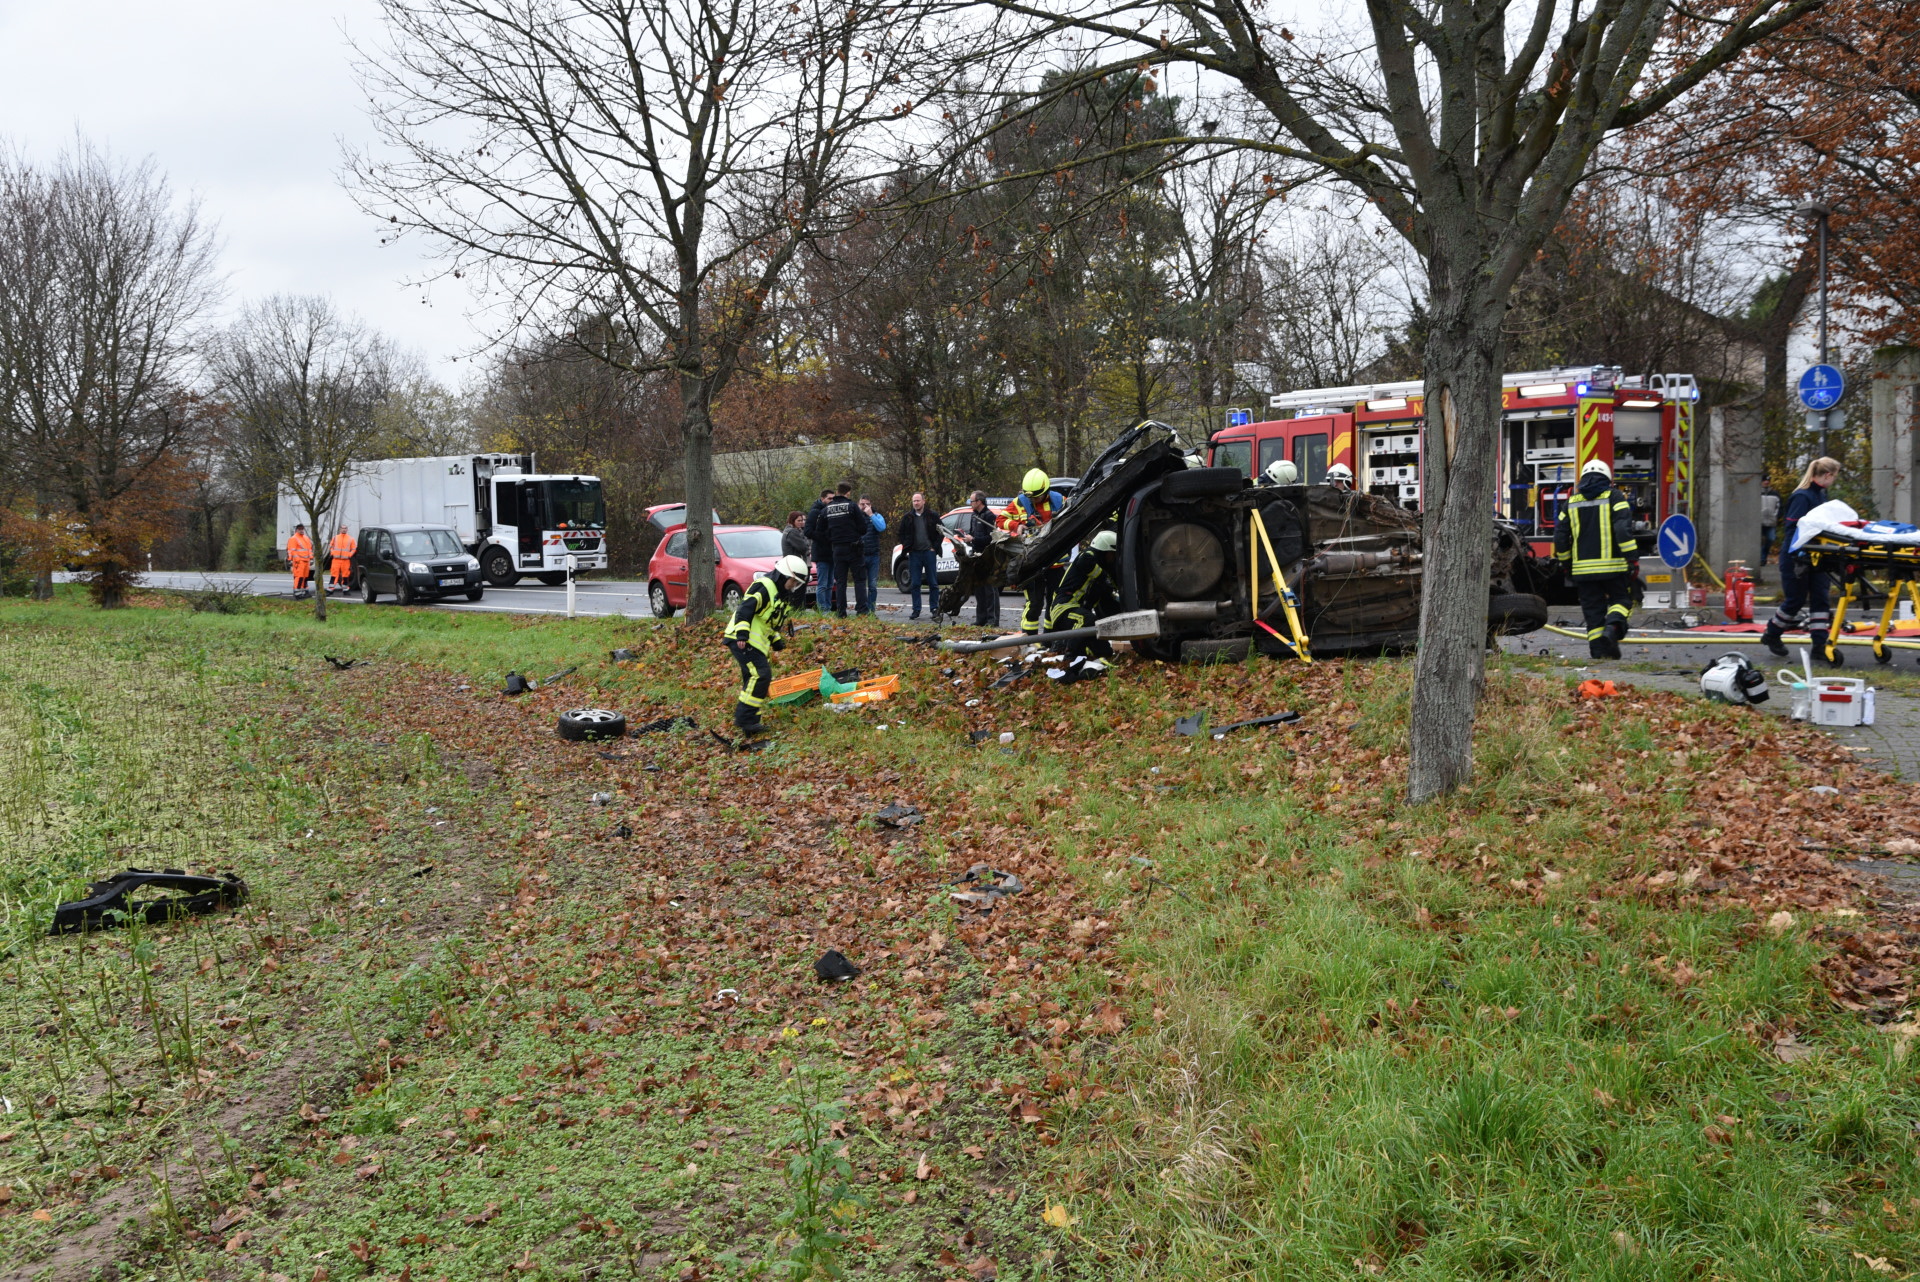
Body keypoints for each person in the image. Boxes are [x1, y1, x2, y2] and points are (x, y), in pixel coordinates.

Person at [1553, 459, 1639, 659]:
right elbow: (1622, 530)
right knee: (1621, 601)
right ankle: (1613, 628)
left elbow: (1560, 537)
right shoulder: (1615, 497)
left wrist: (1567, 564)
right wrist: (1632, 559)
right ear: (1608, 479)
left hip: (1583, 571)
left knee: (1593, 612)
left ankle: (1599, 652)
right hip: (1614, 568)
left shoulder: (1570, 502)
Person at [1763, 457, 1843, 662]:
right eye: (1834, 476)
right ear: (1827, 475)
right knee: (1795, 600)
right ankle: (1772, 633)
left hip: (1817, 555)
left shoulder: (1820, 495)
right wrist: (1798, 554)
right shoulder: (1802, 497)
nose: (1833, 480)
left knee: (1820, 599)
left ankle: (1819, 645)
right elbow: (1793, 529)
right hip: (1797, 557)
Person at [722, 555, 810, 735]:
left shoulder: (781, 594)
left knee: (754, 678)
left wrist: (776, 640)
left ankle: (750, 722)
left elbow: (768, 621)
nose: (794, 586)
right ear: (785, 576)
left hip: (754, 642)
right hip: (742, 639)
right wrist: (742, 634)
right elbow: (745, 609)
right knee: (761, 675)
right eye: (794, 582)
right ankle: (745, 719)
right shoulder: (765, 586)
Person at [999, 467, 1068, 635]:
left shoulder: (1060, 501)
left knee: (1054, 602)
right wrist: (1017, 525)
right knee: (1034, 603)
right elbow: (1000, 520)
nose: (1033, 500)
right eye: (1031, 497)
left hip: (1055, 562)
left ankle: (1050, 638)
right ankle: (1028, 637)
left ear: (1046, 491)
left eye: (1036, 496)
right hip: (1032, 562)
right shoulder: (1020, 502)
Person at [1046, 530, 1121, 681]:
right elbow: (1088, 565)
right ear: (1105, 550)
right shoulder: (1087, 557)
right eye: (1112, 554)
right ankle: (1070, 659)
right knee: (1086, 620)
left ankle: (1089, 656)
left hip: (1076, 610)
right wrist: (1105, 580)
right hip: (1064, 608)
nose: (1113, 558)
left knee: (1105, 651)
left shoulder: (1099, 566)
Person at [822, 482, 869, 616]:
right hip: (854, 548)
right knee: (859, 580)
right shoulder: (852, 506)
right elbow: (863, 528)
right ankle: (862, 611)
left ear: (837, 492)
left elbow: (821, 530)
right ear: (848, 492)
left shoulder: (827, 509)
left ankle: (841, 612)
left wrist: (833, 537)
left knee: (841, 582)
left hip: (837, 549)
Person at [898, 491, 943, 619]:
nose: (916, 503)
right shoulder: (907, 517)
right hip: (914, 554)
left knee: (933, 582)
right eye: (914, 501)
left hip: (929, 553)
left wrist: (935, 547)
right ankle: (916, 609)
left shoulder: (932, 516)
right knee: (915, 583)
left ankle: (934, 608)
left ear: (923, 501)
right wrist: (908, 546)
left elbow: (941, 531)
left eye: (918, 500)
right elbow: (901, 534)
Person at [963, 490, 1001, 627]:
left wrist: (974, 539)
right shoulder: (974, 516)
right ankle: (981, 618)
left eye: (972, 501)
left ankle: (992, 619)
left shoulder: (989, 516)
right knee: (979, 588)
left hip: (988, 556)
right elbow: (973, 534)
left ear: (979, 502)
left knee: (990, 589)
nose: (970, 503)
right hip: (976, 555)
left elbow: (991, 538)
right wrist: (968, 539)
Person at [803, 489, 834, 611]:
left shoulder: (832, 511)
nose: (832, 501)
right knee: (822, 584)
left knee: (830, 583)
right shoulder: (815, 512)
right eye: (829, 498)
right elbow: (808, 531)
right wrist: (824, 537)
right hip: (821, 552)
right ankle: (823, 609)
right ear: (823, 499)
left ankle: (828, 607)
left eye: (833, 498)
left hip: (832, 552)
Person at [858, 497, 886, 614]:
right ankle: (862, 609)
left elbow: (882, 527)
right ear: (858, 504)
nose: (864, 506)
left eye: (867, 504)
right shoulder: (856, 517)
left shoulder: (877, 515)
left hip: (873, 555)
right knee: (861, 584)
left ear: (871, 504)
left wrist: (871, 515)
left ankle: (871, 609)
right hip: (860, 555)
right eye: (862, 504)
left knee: (872, 585)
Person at [286, 523, 314, 599]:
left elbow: (309, 549)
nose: (301, 530)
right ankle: (297, 593)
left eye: (302, 529)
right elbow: (291, 551)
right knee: (299, 577)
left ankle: (304, 592)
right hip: (299, 561)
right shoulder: (293, 538)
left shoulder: (306, 538)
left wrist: (311, 558)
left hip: (306, 561)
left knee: (305, 577)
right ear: (296, 530)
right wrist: (293, 560)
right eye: (299, 529)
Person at [325, 526, 357, 594]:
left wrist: (349, 555)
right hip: (336, 560)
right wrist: (333, 553)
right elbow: (331, 546)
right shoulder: (335, 538)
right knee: (334, 574)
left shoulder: (351, 539)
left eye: (345, 528)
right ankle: (330, 589)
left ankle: (345, 590)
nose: (344, 529)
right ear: (340, 529)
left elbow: (354, 549)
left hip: (345, 560)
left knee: (345, 575)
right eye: (342, 528)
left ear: (347, 529)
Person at [1760, 486, 1781, 561]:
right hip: (1759, 522)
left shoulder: (1775, 494)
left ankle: (1764, 555)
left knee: (1771, 538)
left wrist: (1776, 516)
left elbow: (1779, 507)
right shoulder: (1756, 493)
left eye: (1768, 480)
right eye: (1764, 480)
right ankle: (1761, 559)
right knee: (1759, 541)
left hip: (1771, 521)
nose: (1766, 482)